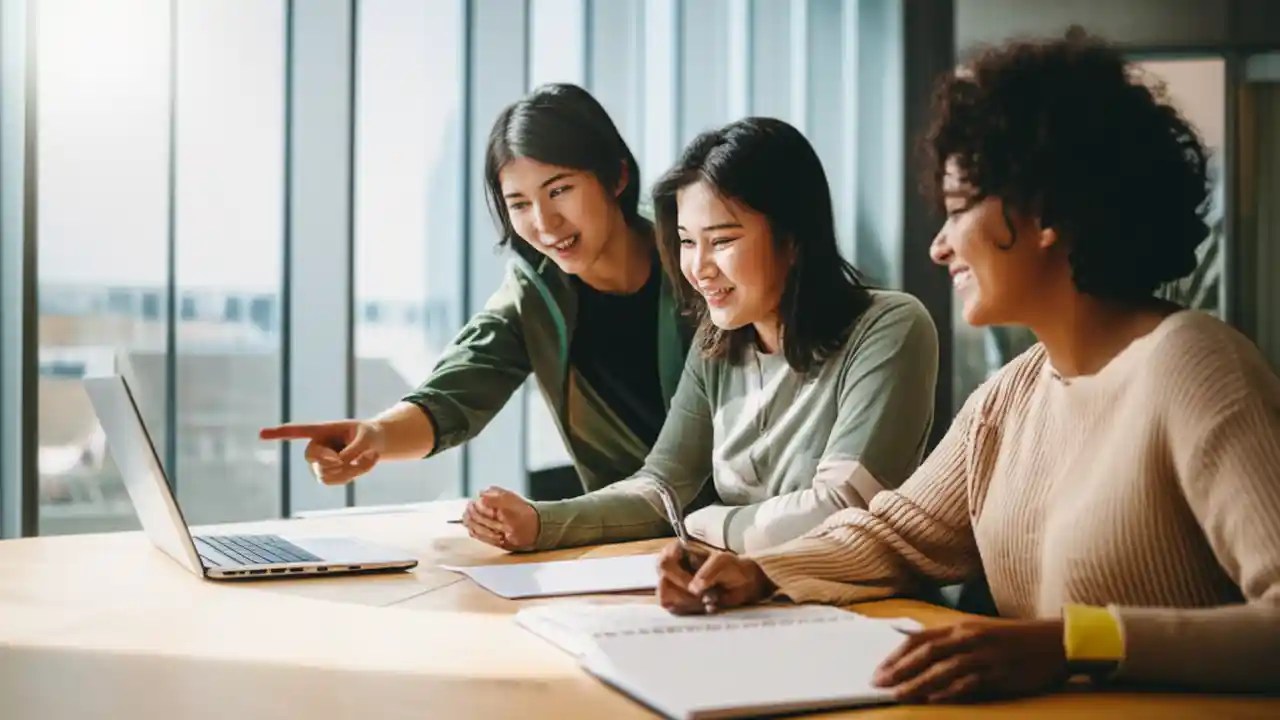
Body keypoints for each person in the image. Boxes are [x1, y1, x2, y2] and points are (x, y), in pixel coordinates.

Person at [654, 36, 1280, 700]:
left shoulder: (1193, 364)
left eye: (957, 210)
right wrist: (757, 572)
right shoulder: (1014, 393)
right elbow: (894, 537)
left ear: (1045, 212)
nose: (939, 244)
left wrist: (1073, 641)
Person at [465, 117, 938, 553]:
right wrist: (539, 521)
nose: (697, 268)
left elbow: (839, 511)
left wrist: (705, 523)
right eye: (688, 241)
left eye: (723, 240)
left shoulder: (889, 326)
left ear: (793, 238)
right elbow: (662, 487)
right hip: (750, 609)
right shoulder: (718, 342)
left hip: (871, 619)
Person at [261, 84, 696, 515]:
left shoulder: (699, 260)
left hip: (742, 528)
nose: (545, 222)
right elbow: (454, 393)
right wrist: (373, 436)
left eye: (560, 190)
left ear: (617, 176)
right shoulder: (534, 297)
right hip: (637, 534)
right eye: (520, 204)